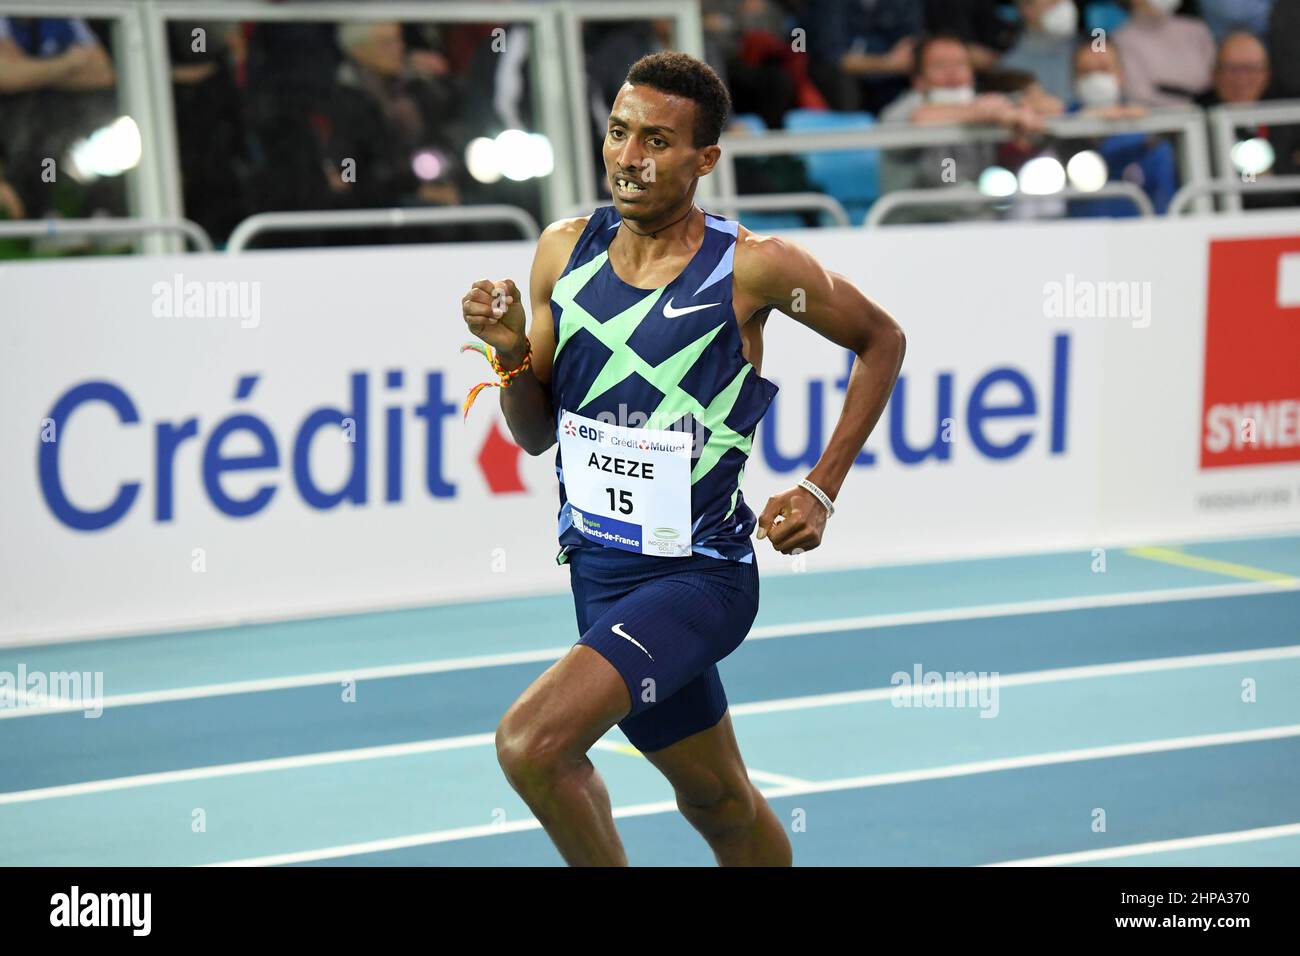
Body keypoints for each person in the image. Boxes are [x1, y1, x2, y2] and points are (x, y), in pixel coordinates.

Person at [458, 51, 906, 866]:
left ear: (706, 160)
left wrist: (821, 487)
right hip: (597, 574)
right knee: (719, 801)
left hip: (699, 578)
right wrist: (510, 352)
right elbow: (533, 433)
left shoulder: (754, 268)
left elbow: (881, 339)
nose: (630, 159)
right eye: (619, 133)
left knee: (532, 744)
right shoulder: (565, 251)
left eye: (657, 142)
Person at [1113, 0, 1216, 107]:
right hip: (1163, 118)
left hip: (1216, 113)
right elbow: (1139, 94)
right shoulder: (1122, 39)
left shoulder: (1197, 30)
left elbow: (1218, 77)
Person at [1000, 0, 1082, 103]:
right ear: (1025, 8)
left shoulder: (1089, 48)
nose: (1063, 6)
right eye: (1052, 2)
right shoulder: (1010, 65)